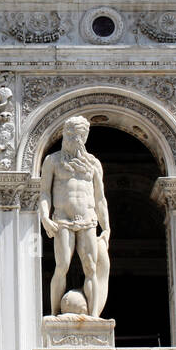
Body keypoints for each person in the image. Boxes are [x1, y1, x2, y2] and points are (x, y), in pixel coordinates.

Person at [38, 116, 111, 317]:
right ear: (64, 135)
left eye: (78, 136)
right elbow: (44, 192)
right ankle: (53, 314)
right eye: (69, 135)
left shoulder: (94, 164)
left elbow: (100, 198)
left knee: (91, 268)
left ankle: (94, 316)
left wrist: (106, 227)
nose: (73, 139)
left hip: (88, 219)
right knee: (62, 266)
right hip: (62, 219)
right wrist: (45, 216)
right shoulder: (52, 161)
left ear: (84, 137)